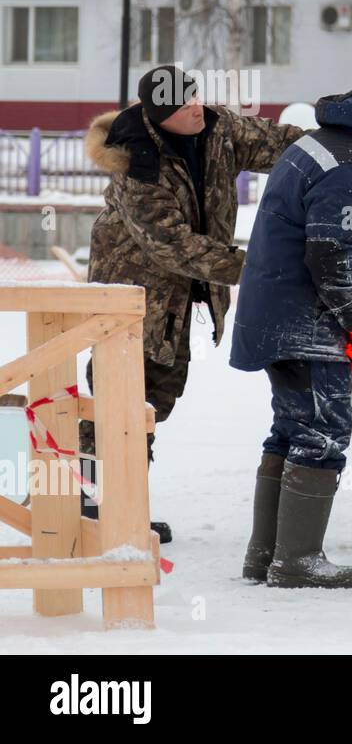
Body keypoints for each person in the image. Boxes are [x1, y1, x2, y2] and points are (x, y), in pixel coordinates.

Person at [84, 65, 305, 542]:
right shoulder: (137, 165)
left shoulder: (217, 127)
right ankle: (91, 507)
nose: (195, 108)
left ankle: (117, 505)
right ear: (159, 118)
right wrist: (262, 269)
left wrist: (335, 147)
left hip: (175, 297)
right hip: (129, 299)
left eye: (195, 97)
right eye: (182, 107)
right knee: (116, 402)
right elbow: (174, 246)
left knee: (155, 399)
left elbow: (276, 142)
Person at [230, 81, 352, 588]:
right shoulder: (348, 165)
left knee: (290, 428)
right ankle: (296, 560)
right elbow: (330, 253)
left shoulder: (316, 146)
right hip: (306, 323)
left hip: (279, 315)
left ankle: (265, 555)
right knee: (321, 433)